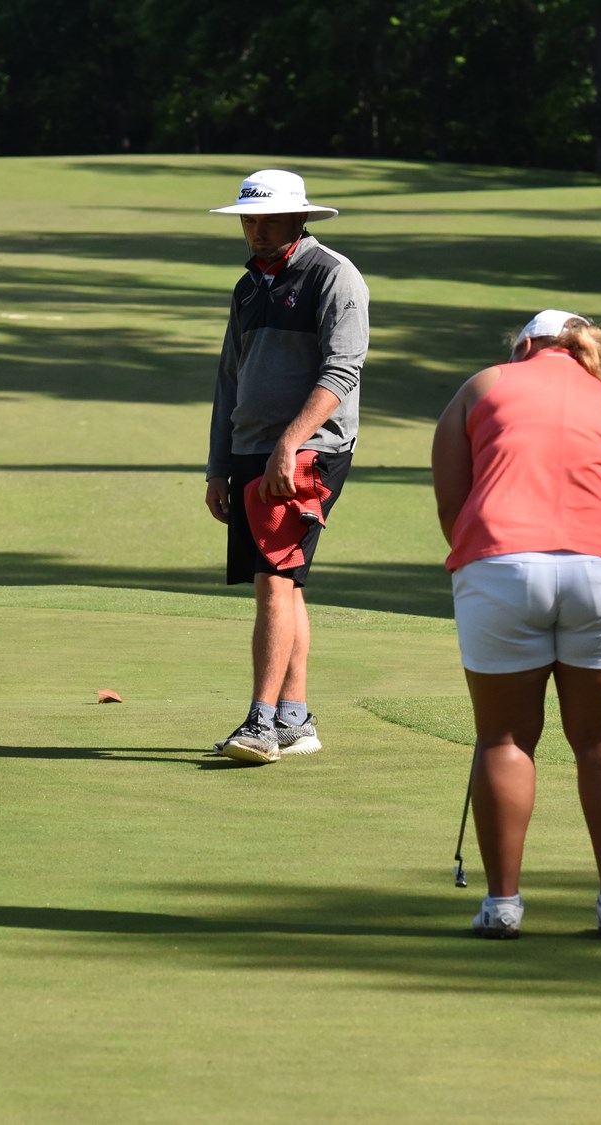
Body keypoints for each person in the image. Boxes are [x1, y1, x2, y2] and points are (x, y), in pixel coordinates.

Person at [430, 310, 601, 939]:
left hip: (501, 565)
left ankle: (501, 907)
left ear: (524, 345)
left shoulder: (481, 386)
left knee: (503, 738)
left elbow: (453, 499)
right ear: (585, 350)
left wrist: (487, 563)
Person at [204, 170, 370, 765]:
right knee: (285, 584)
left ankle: (262, 721)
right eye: (248, 219)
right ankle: (295, 718)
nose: (254, 228)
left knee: (273, 581)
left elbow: (342, 370)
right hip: (252, 449)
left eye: (266, 218)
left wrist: (289, 444)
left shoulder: (334, 276)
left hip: (310, 450)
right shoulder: (247, 287)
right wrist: (218, 465)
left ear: (299, 218)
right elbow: (230, 380)